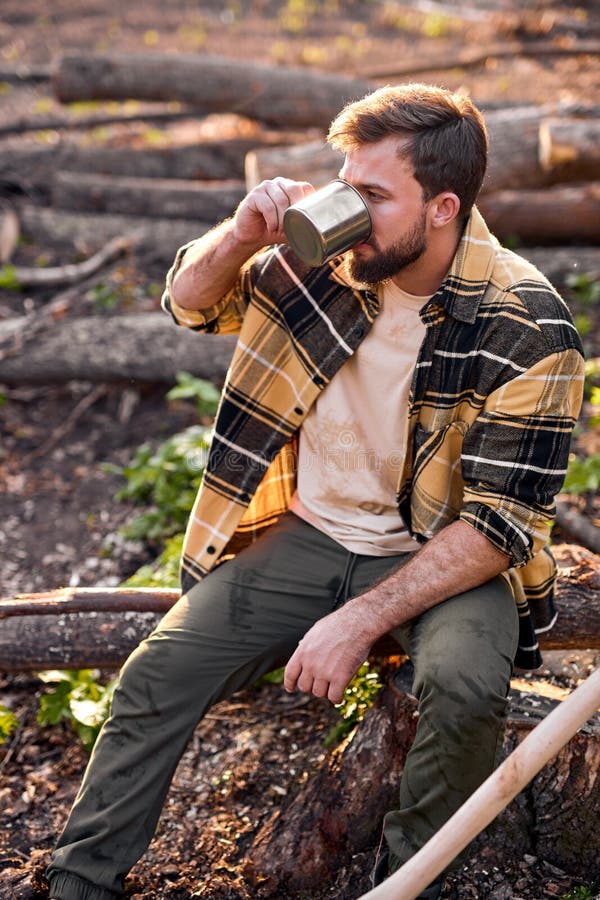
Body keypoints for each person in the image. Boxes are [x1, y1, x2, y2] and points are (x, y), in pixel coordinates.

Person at [47, 83, 584, 900]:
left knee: (465, 687)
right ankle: (77, 885)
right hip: (312, 533)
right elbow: (187, 304)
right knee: (155, 678)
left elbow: (499, 527)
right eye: (345, 181)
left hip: (443, 553)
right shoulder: (329, 259)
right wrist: (240, 233)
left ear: (443, 207)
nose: (347, 206)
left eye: (372, 194)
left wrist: (358, 620)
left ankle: (411, 884)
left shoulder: (528, 323)